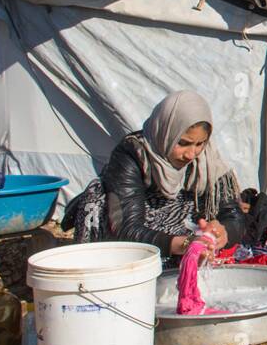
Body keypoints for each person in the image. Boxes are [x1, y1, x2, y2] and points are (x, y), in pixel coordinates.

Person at [63, 91, 246, 258]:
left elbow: (233, 215)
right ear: (167, 132)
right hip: (136, 240)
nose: (191, 154)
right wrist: (182, 244)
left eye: (200, 144)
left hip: (179, 236)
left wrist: (223, 231)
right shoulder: (133, 154)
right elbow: (126, 227)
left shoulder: (208, 160)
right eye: (183, 143)